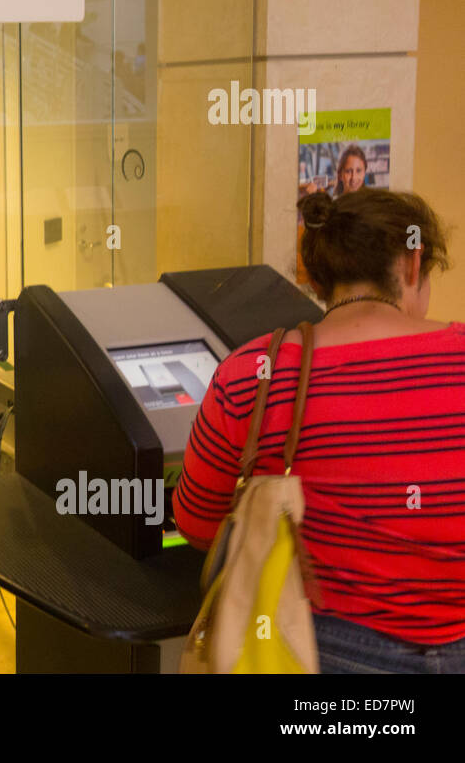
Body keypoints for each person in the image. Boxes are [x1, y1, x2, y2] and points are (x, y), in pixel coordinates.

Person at [174, 189, 465, 673]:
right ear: (413, 265)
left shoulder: (253, 373)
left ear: (319, 277)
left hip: (312, 651)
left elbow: (198, 524)